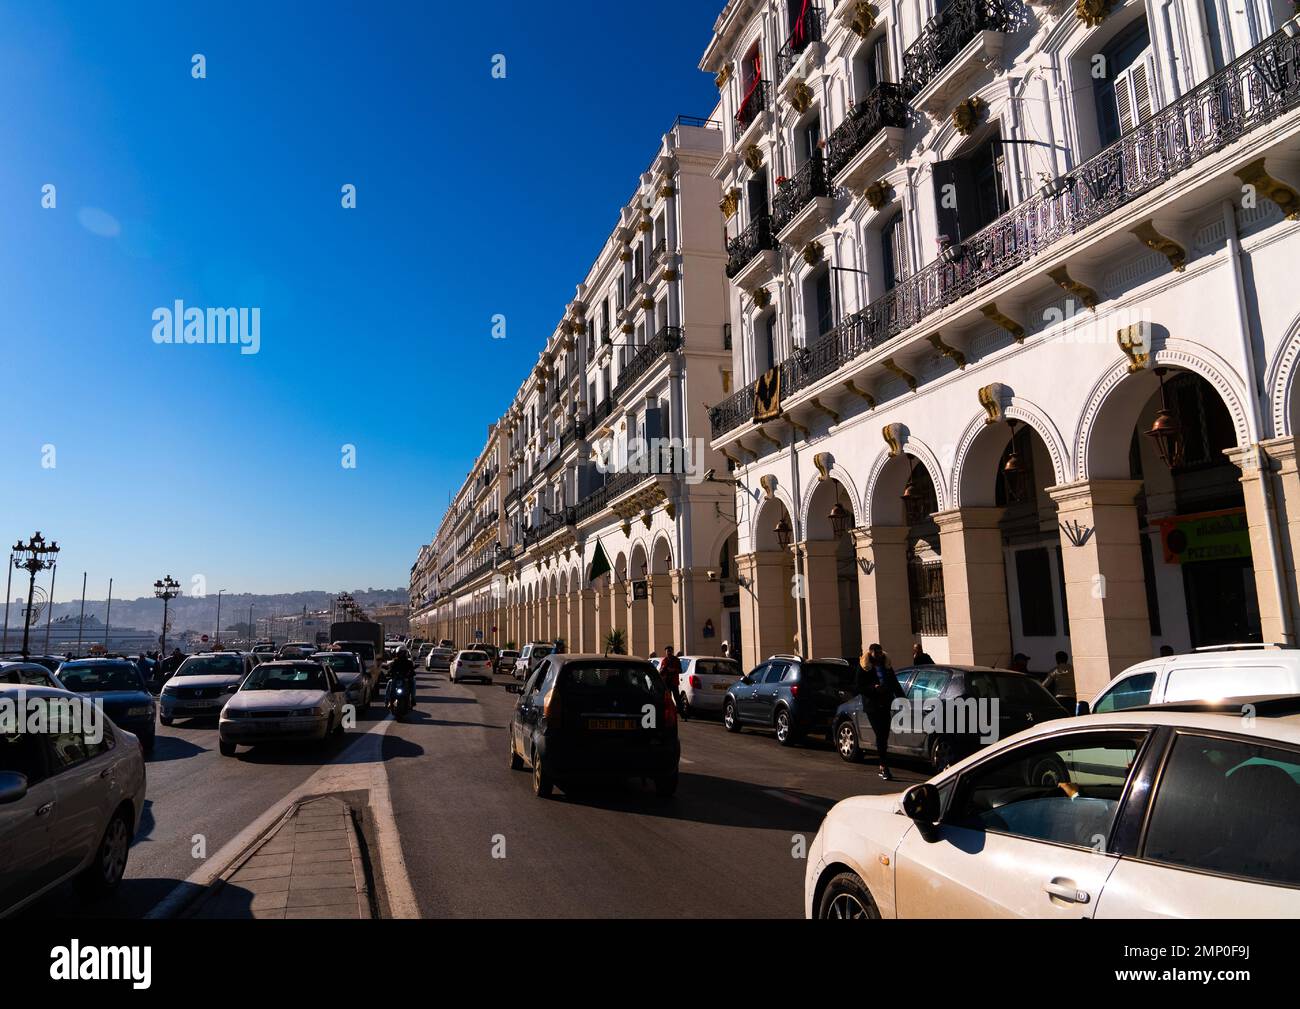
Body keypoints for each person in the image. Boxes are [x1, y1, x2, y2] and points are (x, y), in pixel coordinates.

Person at [858, 643, 905, 781]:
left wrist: (902, 699)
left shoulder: (886, 665)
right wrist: (873, 688)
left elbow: (894, 683)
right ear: (871, 653)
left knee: (884, 734)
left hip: (885, 703)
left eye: (880, 653)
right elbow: (859, 686)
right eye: (876, 653)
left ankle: (882, 763)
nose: (879, 656)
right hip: (872, 705)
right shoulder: (864, 667)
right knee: (880, 733)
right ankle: (884, 766)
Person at [660, 646, 686, 721]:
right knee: (667, 700)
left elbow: (680, 670)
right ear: (665, 652)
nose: (668, 653)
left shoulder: (676, 660)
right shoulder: (664, 660)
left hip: (674, 683)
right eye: (667, 651)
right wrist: (663, 669)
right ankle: (667, 715)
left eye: (670, 651)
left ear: (672, 652)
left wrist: (673, 670)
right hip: (666, 683)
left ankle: (683, 715)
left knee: (677, 699)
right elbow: (661, 672)